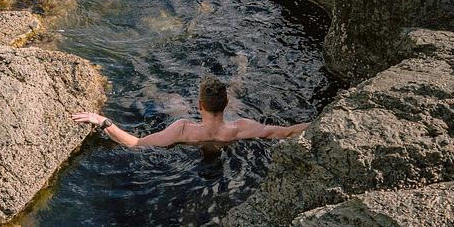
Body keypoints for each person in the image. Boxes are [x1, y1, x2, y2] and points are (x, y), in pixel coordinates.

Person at [71, 76, 309, 148]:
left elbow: (135, 143)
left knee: (171, 101)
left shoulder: (184, 129)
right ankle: (242, 69)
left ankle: (149, 87)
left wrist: (102, 120)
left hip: (192, 152)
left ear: (199, 106)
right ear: (226, 105)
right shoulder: (242, 128)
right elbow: (287, 133)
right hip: (228, 142)